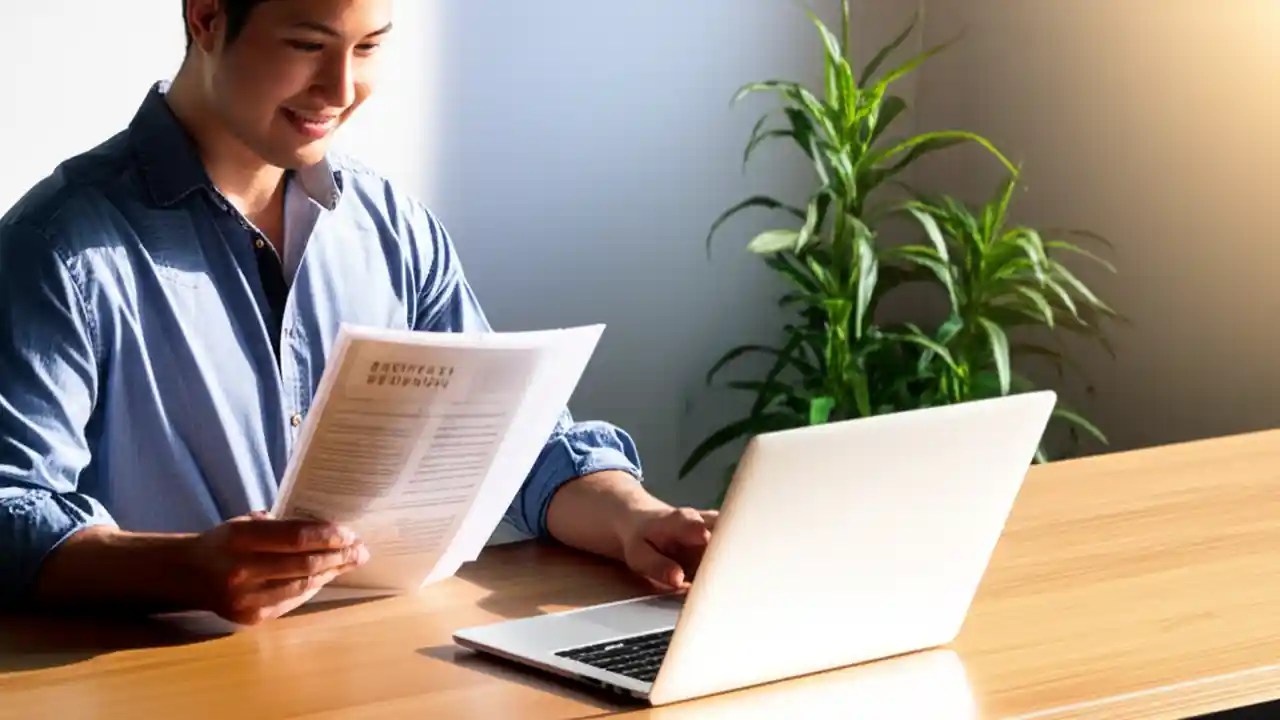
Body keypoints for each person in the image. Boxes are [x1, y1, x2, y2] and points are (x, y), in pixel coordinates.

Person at [0, 0, 715, 625]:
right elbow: (11, 512)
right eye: (308, 46)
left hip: (377, 670)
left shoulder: (392, 228)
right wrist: (184, 571)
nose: (341, 90)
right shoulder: (59, 250)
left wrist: (635, 519)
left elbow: (512, 441)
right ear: (207, 16)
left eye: (369, 47)